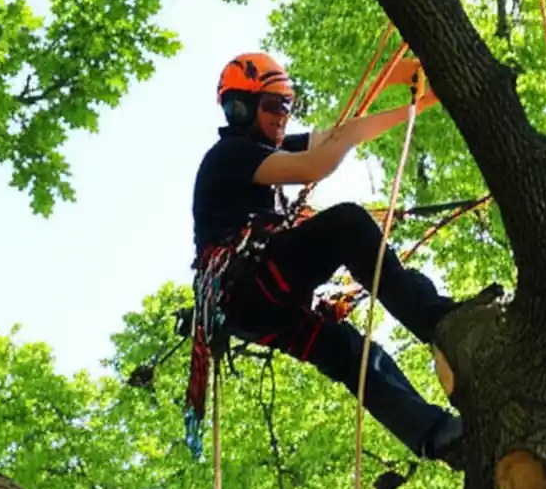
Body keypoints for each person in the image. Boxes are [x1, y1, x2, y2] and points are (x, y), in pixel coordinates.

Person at [190, 51, 463, 467]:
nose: (284, 116)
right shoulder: (230, 156)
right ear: (239, 108)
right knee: (347, 225)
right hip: (249, 284)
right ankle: (435, 321)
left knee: (349, 351)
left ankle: (437, 436)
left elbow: (342, 133)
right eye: (274, 106)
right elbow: (318, 162)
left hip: (262, 304)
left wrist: (415, 99)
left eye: (288, 105)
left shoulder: (267, 147)